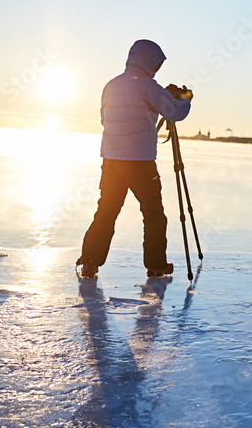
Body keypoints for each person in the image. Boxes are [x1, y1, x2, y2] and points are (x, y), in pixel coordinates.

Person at [76, 39, 192, 279]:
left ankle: (89, 261)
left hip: (111, 160)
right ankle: (156, 264)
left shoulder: (110, 86)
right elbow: (174, 112)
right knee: (153, 213)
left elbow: (104, 118)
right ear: (150, 61)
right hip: (140, 162)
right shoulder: (149, 87)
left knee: (106, 210)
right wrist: (185, 99)